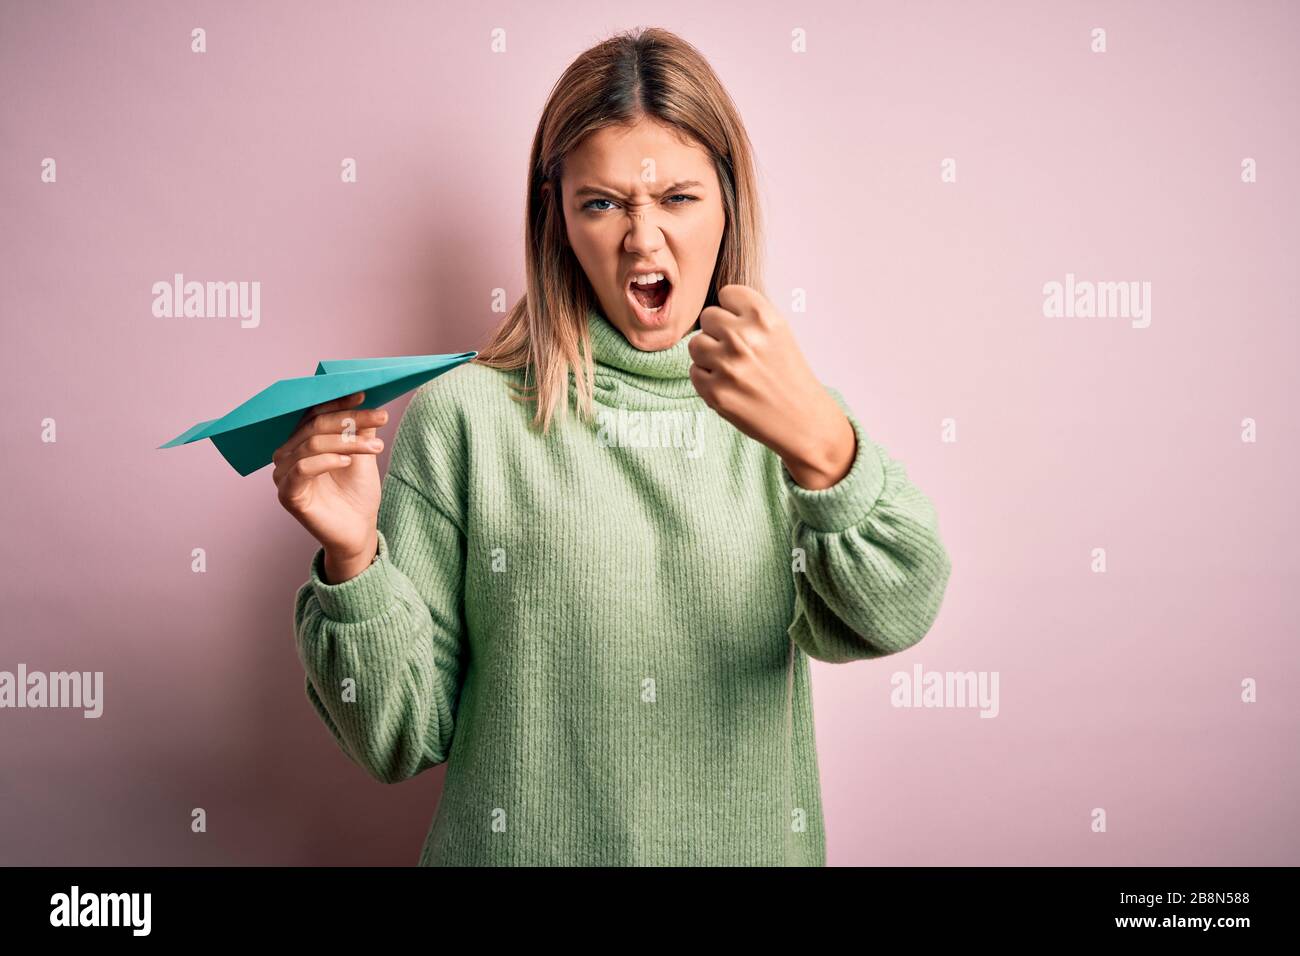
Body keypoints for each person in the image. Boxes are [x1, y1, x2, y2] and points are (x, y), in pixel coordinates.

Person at [275, 26, 952, 866]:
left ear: (728, 203)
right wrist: (353, 561)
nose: (642, 239)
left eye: (676, 197)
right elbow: (398, 739)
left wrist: (822, 446)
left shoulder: (791, 420)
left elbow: (894, 614)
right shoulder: (466, 419)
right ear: (555, 217)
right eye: (602, 203)